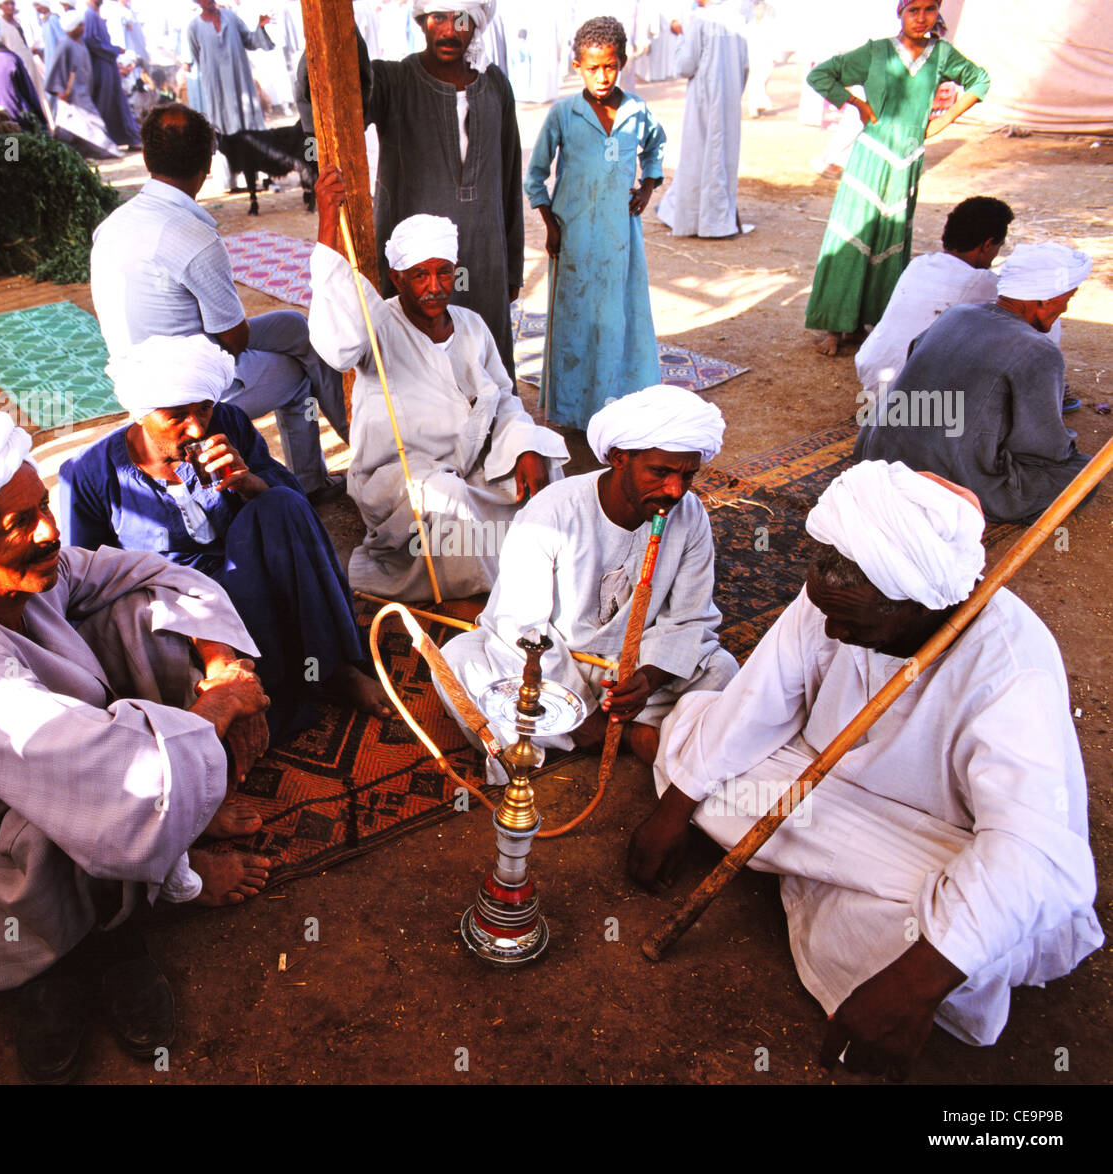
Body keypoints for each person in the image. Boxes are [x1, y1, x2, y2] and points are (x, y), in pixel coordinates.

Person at [629, 460, 1103, 1075]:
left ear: (921, 607)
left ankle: (833, 896)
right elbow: (759, 701)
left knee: (945, 946)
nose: (827, 628)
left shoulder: (1013, 667)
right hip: (817, 778)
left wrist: (915, 982)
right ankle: (809, 870)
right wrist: (673, 809)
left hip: (935, 842)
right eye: (824, 610)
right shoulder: (837, 593)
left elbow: (1034, 854)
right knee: (704, 731)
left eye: (851, 624)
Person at [0, 399, 276, 1083]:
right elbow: (103, 775)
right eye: (22, 522)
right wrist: (216, 708)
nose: (51, 531)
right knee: (95, 791)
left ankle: (161, 845)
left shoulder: (19, 575)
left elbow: (150, 572)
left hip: (76, 774)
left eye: (42, 504)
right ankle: (82, 947)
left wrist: (220, 658)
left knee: (144, 615)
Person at [60, 334, 391, 743]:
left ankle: (339, 668)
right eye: (177, 416)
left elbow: (287, 506)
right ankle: (268, 693)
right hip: (177, 598)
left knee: (282, 503)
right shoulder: (89, 475)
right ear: (140, 414)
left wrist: (247, 481)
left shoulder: (229, 423)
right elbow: (86, 579)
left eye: (204, 409)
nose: (196, 426)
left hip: (248, 563)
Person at [440, 386, 739, 781]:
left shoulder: (688, 514)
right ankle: (630, 736)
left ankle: (601, 733)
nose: (675, 490)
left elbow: (690, 617)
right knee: (459, 661)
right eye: (661, 472)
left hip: (631, 676)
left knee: (722, 669)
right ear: (619, 458)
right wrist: (585, 713)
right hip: (552, 671)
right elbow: (520, 629)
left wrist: (648, 679)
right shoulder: (552, 513)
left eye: (687, 476)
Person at [309, 166, 569, 601]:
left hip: (468, 470)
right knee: (446, 497)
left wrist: (523, 444)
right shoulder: (376, 328)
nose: (434, 288)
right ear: (397, 278)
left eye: (444, 273)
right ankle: (485, 594)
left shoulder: (470, 326)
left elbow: (504, 398)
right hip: (401, 484)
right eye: (419, 276)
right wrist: (325, 227)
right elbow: (337, 347)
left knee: (543, 461)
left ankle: (519, 565)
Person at [90, 102, 346, 501]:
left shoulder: (112, 226)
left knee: (296, 327)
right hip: (184, 389)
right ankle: (319, 476)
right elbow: (235, 340)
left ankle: (350, 432)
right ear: (209, 163)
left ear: (145, 157)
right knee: (298, 377)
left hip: (136, 368)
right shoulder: (194, 239)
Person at [298, 1, 526, 380]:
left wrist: (512, 268)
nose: (450, 30)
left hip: (485, 260)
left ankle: (488, 439)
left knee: (484, 369)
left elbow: (510, 175)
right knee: (416, 366)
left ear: (478, 22)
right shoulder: (392, 81)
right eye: (438, 17)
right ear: (422, 19)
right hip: (416, 267)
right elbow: (332, 83)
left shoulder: (495, 84)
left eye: (462, 18)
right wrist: (340, 27)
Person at [854, 243, 1097, 524]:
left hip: (875, 457)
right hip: (944, 482)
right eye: (1065, 298)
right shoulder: (1039, 351)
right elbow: (1045, 449)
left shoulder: (955, 314)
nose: (1065, 308)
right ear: (1043, 299)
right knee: (1083, 475)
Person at [803, 0, 989, 355]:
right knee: (853, 235)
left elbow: (981, 80)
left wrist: (946, 119)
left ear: (938, 12)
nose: (921, 18)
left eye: (930, 9)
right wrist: (856, 104)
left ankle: (873, 323)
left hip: (908, 159)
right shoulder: (876, 52)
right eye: (913, 10)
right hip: (871, 155)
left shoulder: (942, 55)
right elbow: (820, 75)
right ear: (900, 13)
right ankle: (835, 327)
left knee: (890, 241)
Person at [525, 16, 666, 431]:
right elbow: (536, 175)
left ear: (621, 61)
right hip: (574, 239)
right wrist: (550, 224)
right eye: (591, 67)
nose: (601, 76)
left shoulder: (637, 111)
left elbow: (656, 149)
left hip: (620, 238)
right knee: (576, 321)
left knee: (619, 317)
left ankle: (616, 410)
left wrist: (646, 189)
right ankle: (572, 408)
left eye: (609, 66)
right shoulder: (564, 114)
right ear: (576, 66)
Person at [854, 195, 1012, 396]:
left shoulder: (918, 264)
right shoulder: (982, 281)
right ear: (987, 244)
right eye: (999, 247)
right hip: (918, 393)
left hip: (873, 373)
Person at [654, 0, 750, 239]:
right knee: (721, 158)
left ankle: (695, 221)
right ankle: (715, 219)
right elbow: (745, 66)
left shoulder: (700, 21)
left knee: (697, 158)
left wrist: (680, 36)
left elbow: (685, 66)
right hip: (728, 101)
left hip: (703, 101)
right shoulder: (737, 19)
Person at [183, 0, 272, 187]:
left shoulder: (231, 17)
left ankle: (262, 175)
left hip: (241, 83)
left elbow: (250, 40)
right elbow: (197, 57)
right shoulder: (193, 27)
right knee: (223, 130)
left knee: (250, 124)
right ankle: (232, 181)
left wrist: (261, 28)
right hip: (217, 89)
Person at [45, 8, 120, 155]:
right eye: (79, 25)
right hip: (71, 93)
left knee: (83, 125)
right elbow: (57, 68)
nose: (82, 28)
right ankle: (107, 150)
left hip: (82, 91)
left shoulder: (80, 43)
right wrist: (60, 91)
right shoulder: (64, 44)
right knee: (90, 122)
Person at [83, 0, 141, 147]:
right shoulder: (89, 15)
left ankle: (127, 138)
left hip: (108, 64)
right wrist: (114, 50)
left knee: (116, 102)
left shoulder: (96, 15)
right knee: (105, 102)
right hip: (101, 66)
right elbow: (91, 41)